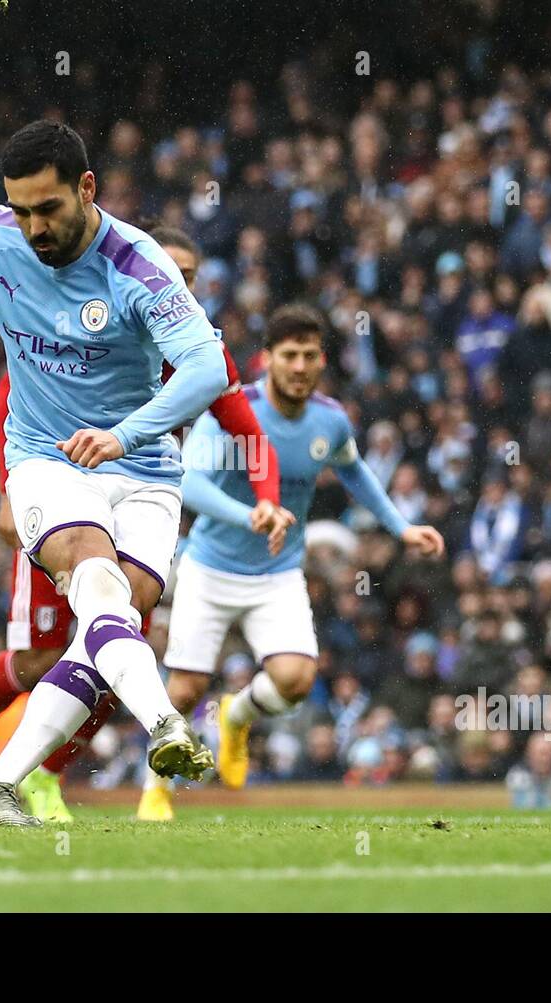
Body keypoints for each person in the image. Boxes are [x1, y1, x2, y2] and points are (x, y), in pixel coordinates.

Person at [0, 120, 229, 826]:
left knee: (109, 623)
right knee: (96, 577)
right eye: (20, 209)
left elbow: (208, 365)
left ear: (87, 189)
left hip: (145, 466)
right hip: (44, 458)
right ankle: (166, 726)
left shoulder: (138, 265)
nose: (32, 227)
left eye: (47, 209)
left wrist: (126, 433)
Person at [0, 226, 290, 821]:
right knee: (36, 661)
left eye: (184, 275)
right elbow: (11, 394)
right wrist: (7, 486)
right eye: (164, 269)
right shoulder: (83, 318)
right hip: (60, 489)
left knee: (106, 645)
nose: (167, 282)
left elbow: (245, 426)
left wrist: (268, 497)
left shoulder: (198, 348)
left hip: (143, 499)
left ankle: (29, 780)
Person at [137, 304, 445, 821]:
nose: (300, 367)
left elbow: (355, 471)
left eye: (309, 356)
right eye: (289, 356)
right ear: (267, 360)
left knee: (296, 680)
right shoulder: (235, 410)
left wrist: (401, 527)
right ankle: (156, 789)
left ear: (322, 360)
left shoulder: (330, 419)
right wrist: (249, 514)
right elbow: (190, 480)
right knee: (186, 689)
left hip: (277, 573)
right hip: (210, 568)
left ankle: (236, 714)